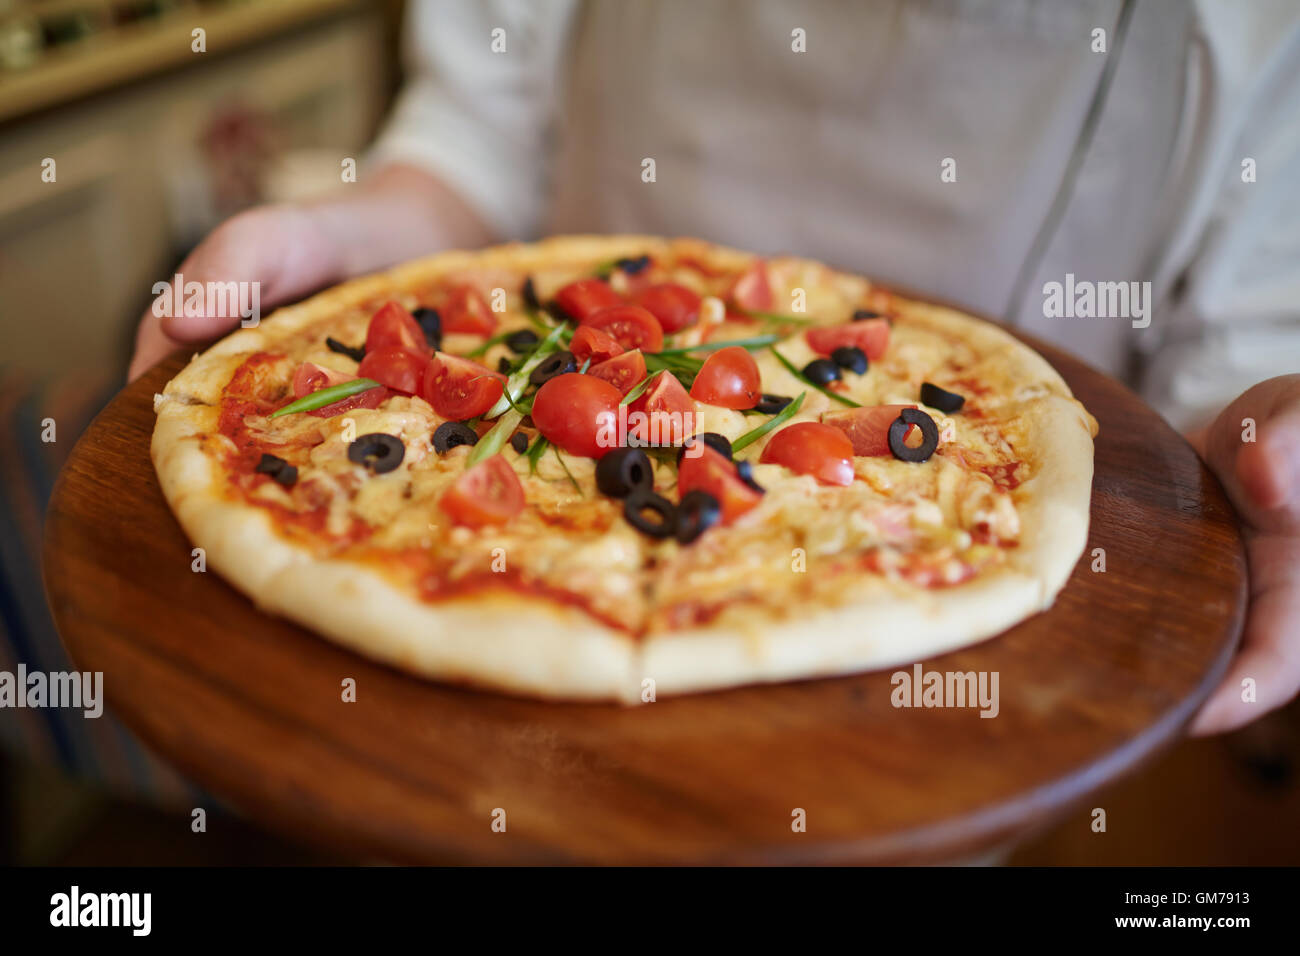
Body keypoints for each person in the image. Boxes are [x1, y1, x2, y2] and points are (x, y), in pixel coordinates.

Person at [130, 0, 1300, 734]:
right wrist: (354, 238)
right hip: (462, 707)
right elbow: (468, 145)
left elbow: (1240, 368)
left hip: (956, 692)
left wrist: (1266, 442)